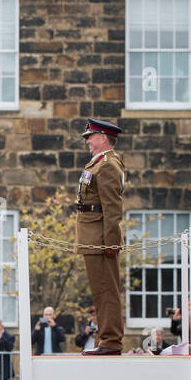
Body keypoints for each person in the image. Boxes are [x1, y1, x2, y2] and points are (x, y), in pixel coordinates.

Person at [75, 118, 127, 355]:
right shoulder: (98, 163)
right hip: (93, 237)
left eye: (91, 136)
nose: (87, 140)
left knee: (106, 291)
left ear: (103, 138)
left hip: (100, 239)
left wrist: (112, 243)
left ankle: (110, 342)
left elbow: (112, 208)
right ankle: (105, 339)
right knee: (101, 291)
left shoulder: (107, 165)